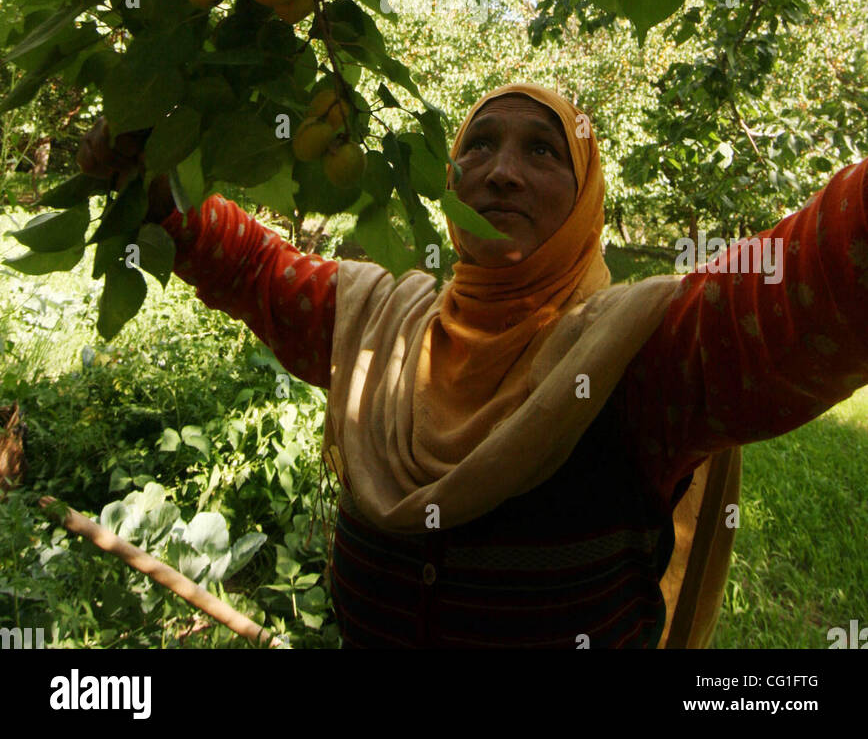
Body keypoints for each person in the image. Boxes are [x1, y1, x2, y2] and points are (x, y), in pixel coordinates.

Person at [77, 83, 868, 649]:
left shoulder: (638, 352)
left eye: (542, 151)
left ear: (587, 196)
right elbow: (252, 270)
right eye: (478, 146)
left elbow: (818, 279)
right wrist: (153, 186)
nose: (501, 171)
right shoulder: (380, 321)